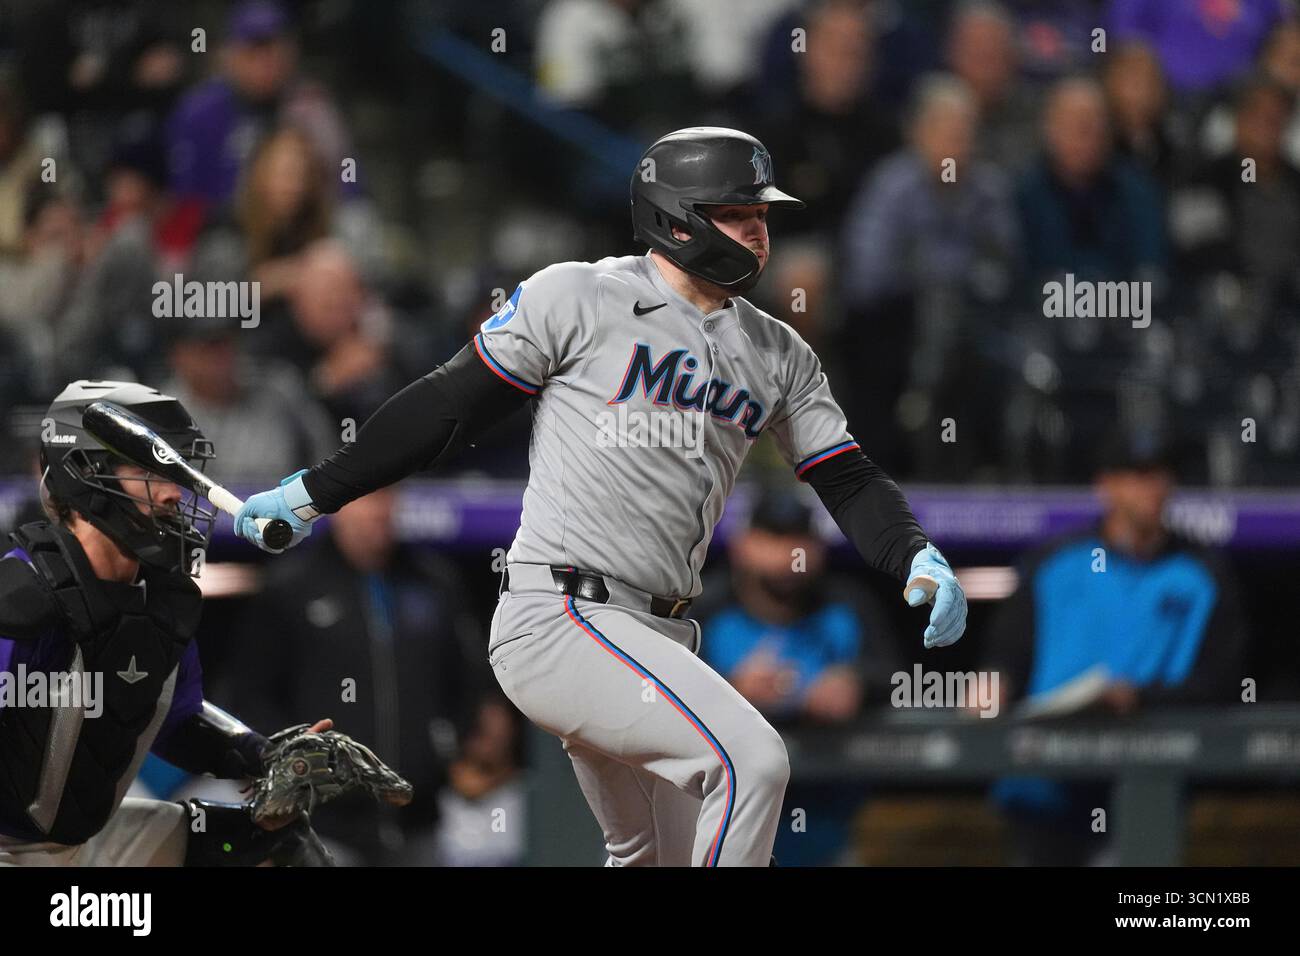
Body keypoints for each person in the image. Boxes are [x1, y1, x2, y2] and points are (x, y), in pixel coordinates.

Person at [232, 127, 968, 867]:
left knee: (653, 854)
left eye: (763, 215)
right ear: (676, 220)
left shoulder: (778, 352)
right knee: (753, 763)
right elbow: (449, 405)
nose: (758, 230)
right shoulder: (579, 296)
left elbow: (845, 475)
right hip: (561, 615)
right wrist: (313, 491)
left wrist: (913, 552)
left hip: (661, 637)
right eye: (737, 213)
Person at [2, 380, 336, 866]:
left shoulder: (158, 601)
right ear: (83, 472)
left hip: (81, 845)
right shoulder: (18, 600)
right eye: (148, 471)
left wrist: (267, 756)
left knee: (280, 847)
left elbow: (174, 718)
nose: (172, 495)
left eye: (176, 475)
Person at [983, 432, 1246, 865]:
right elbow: (1007, 653)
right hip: (1046, 781)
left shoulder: (1202, 572)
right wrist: (992, 683)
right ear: (1104, 485)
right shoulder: (1055, 561)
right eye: (1137, 476)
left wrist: (1138, 698)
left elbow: (1220, 682)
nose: (1152, 488)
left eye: (1160, 476)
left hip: (1145, 782)